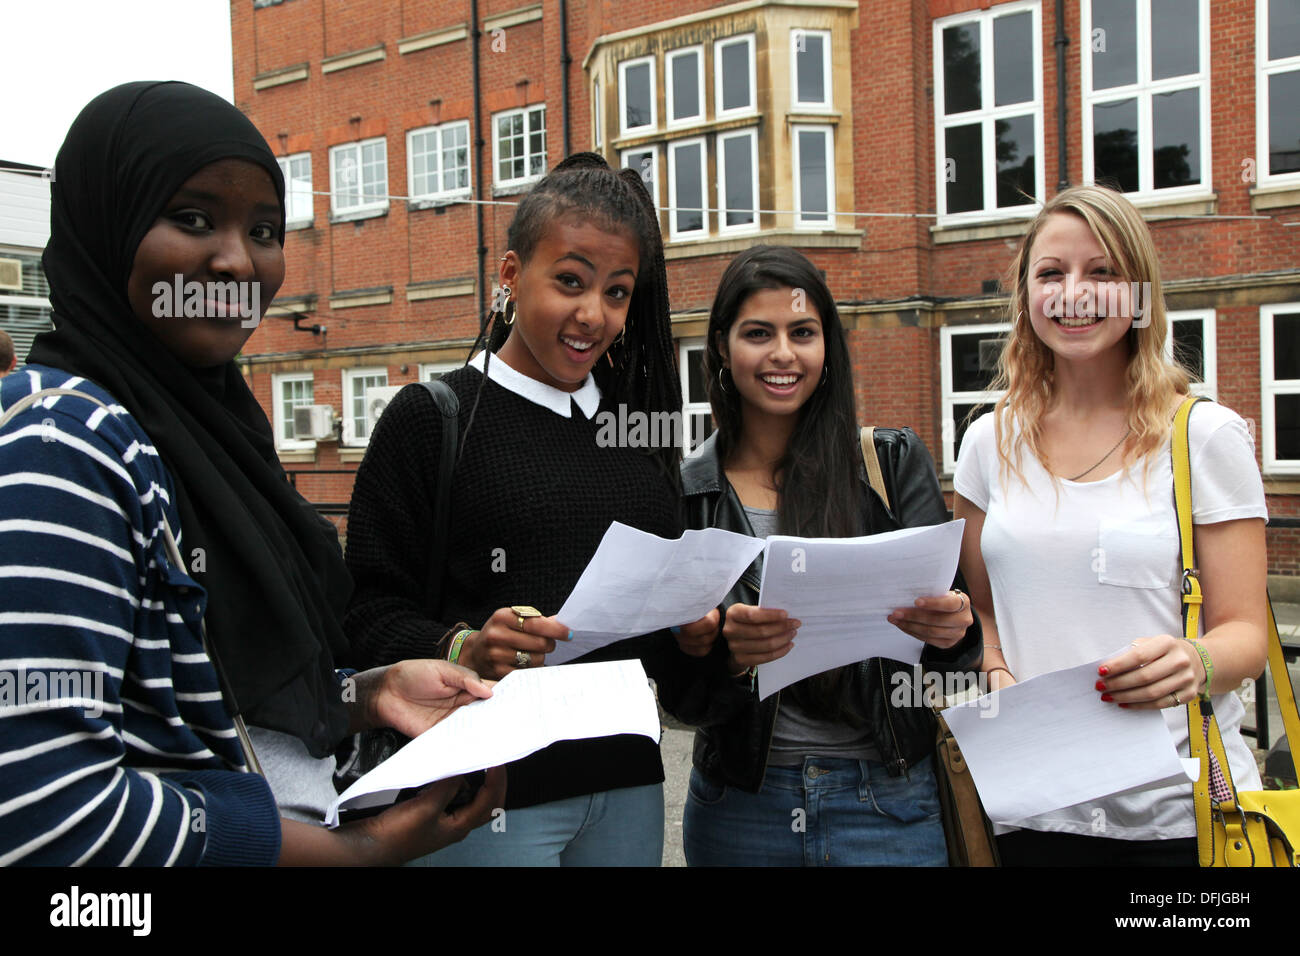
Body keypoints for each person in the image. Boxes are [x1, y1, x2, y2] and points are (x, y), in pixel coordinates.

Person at [0, 81, 503, 866]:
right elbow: (46, 814)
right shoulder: (64, 445)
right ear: (108, 225)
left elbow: (226, 682)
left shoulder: (215, 427)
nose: (236, 260)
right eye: (192, 218)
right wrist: (351, 854)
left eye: (264, 229)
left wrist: (367, 694)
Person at [344, 153, 713, 866]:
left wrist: (701, 638)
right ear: (511, 276)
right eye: (569, 282)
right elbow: (361, 611)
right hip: (481, 798)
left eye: (616, 292)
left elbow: (652, 644)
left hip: (630, 786)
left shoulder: (638, 432)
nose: (592, 315)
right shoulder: (434, 417)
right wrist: (463, 645)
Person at [953, 185, 1268, 866]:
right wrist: (996, 664)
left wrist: (1196, 659)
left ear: (1140, 294)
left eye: (1103, 272)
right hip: (1033, 808)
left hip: (1181, 821)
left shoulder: (1203, 436)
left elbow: (1249, 633)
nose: (1075, 293)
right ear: (1026, 296)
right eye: (1051, 273)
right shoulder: (988, 443)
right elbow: (979, 604)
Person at [661, 245, 981, 867]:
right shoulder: (687, 491)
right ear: (722, 349)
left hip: (888, 804)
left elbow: (959, 656)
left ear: (826, 346)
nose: (783, 353)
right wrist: (723, 657)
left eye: (802, 332)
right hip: (740, 811)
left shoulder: (890, 463)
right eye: (759, 333)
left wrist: (951, 630)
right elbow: (680, 700)